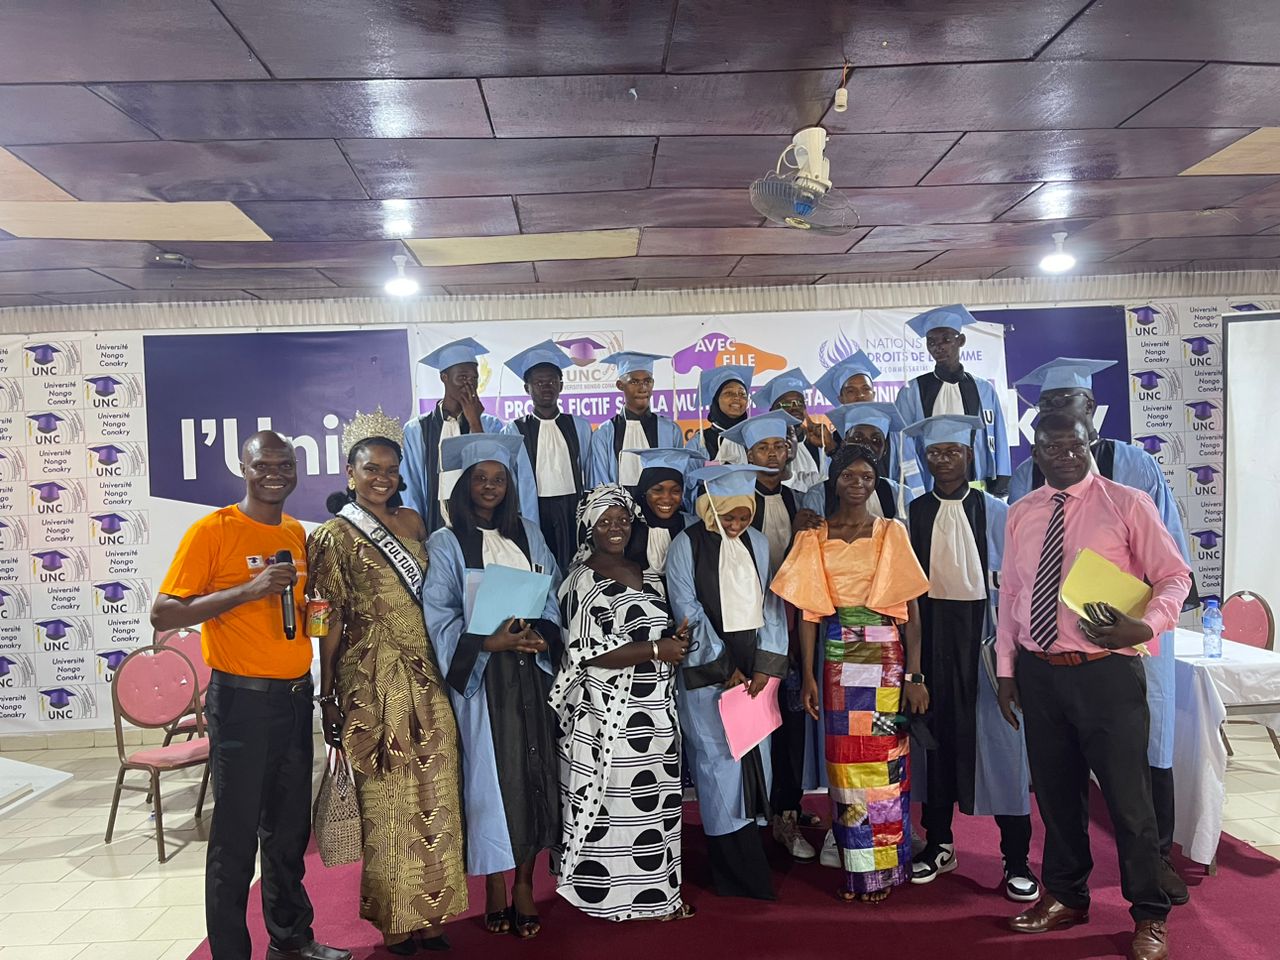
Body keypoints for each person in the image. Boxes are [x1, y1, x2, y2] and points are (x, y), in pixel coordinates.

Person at [996, 413, 1190, 960]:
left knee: (1130, 804)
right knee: (1057, 799)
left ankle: (1150, 914)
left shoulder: (1127, 503)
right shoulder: (1020, 514)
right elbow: (1010, 595)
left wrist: (1146, 625)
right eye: (1050, 445)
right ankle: (1065, 896)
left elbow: (1175, 576)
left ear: (1089, 444)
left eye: (1073, 443)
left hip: (1107, 673)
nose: (1063, 452)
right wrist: (1008, 672)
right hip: (1041, 674)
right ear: (1035, 453)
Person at [150, 431, 350, 960]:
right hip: (240, 703)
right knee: (235, 838)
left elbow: (305, 615)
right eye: (264, 465)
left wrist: (319, 613)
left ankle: (290, 941)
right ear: (244, 468)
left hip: (292, 698)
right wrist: (247, 591)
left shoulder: (294, 532)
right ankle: (231, 952)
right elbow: (164, 612)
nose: (275, 473)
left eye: (285, 464)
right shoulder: (212, 531)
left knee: (288, 832)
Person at [308, 412, 466, 953]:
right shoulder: (332, 535)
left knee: (436, 794)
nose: (383, 478)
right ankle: (395, 919)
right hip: (370, 679)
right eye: (371, 469)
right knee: (387, 799)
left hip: (426, 671)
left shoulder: (414, 524)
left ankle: (432, 912)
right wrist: (327, 692)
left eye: (391, 470)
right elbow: (324, 620)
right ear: (350, 474)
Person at [770, 442, 930, 904]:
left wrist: (915, 677)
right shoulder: (813, 536)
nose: (857, 484)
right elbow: (807, 615)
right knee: (844, 767)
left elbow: (911, 615)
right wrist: (811, 677)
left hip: (886, 661)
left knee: (884, 766)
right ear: (832, 480)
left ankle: (883, 871)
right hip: (838, 662)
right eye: (848, 476)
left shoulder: (890, 532)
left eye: (866, 477)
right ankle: (858, 867)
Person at [422, 434, 563, 941]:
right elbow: (438, 616)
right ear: (463, 485)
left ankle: (526, 881)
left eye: (498, 479)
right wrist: (488, 643)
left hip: (529, 672)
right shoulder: (445, 543)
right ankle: (495, 883)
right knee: (490, 783)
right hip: (482, 680)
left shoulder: (528, 532)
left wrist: (542, 636)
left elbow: (552, 589)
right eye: (480, 479)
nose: (490, 487)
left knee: (532, 776)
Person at [901, 415, 1036, 902]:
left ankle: (1016, 859)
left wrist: (1015, 655)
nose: (944, 460)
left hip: (987, 642)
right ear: (925, 458)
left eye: (954, 452)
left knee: (1002, 750)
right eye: (935, 452)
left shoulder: (1000, 512)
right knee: (935, 745)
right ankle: (939, 843)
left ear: (970, 455)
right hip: (932, 641)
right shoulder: (911, 515)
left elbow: (1019, 585)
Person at [550, 484, 696, 922]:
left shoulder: (647, 572)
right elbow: (583, 652)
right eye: (605, 521)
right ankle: (607, 897)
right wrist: (657, 650)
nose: (615, 528)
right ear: (588, 527)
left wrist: (676, 641)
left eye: (622, 520)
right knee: (614, 806)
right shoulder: (580, 580)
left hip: (655, 710)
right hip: (606, 714)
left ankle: (659, 895)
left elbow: (659, 631)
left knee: (656, 803)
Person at [666, 463, 790, 900]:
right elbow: (686, 607)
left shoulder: (757, 542)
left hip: (754, 667)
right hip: (709, 670)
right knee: (719, 761)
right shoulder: (686, 544)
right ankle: (730, 866)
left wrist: (764, 667)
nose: (736, 525)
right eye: (726, 517)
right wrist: (724, 666)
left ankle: (753, 850)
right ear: (708, 511)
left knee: (758, 756)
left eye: (743, 515)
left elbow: (772, 605)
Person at [718, 409, 818, 862]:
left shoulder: (803, 502)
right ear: (749, 454)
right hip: (750, 629)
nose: (772, 455)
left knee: (793, 721)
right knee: (753, 726)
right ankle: (750, 816)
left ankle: (788, 811)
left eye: (779, 447)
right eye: (762, 449)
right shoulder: (735, 506)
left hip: (797, 626)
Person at [401, 336, 539, 535]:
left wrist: (475, 421)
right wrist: (416, 529)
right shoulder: (418, 429)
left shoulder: (490, 424)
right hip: (435, 519)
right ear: (444, 377)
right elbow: (412, 485)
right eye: (462, 378)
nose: (469, 385)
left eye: (474, 379)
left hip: (480, 520)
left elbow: (493, 468)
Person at [895, 305, 1010, 496]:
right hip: (929, 482)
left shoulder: (982, 389)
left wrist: (1001, 478)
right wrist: (913, 483)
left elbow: (998, 433)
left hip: (974, 480)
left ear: (961, 340)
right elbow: (902, 440)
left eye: (946, 340)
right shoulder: (912, 391)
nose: (938, 347)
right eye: (931, 342)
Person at [502, 340, 594, 571]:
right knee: (540, 563)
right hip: (535, 509)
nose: (546, 387)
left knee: (576, 562)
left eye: (552, 381)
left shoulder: (579, 426)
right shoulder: (514, 430)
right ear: (527, 388)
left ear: (561, 386)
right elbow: (511, 478)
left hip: (572, 506)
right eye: (539, 382)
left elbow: (589, 469)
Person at [588, 351, 683, 487]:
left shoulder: (670, 430)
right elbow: (600, 481)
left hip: (661, 505)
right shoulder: (604, 433)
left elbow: (678, 476)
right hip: (618, 505)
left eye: (647, 381)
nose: (643, 388)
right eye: (634, 382)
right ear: (620, 385)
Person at [822, 402, 910, 519]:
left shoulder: (899, 494)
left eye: (875, 440)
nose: (865, 445)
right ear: (844, 443)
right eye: (858, 438)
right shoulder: (820, 494)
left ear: (884, 450)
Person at [624, 447, 699, 576]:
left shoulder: (693, 526)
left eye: (675, 491)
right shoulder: (628, 526)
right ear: (644, 491)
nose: (666, 498)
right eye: (657, 490)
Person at [753, 367, 825, 493]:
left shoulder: (815, 442)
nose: (794, 408)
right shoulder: (762, 447)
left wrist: (827, 449)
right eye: (785, 404)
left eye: (799, 402)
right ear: (772, 411)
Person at [685, 364, 754, 463]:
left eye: (742, 394)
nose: (737, 397)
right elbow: (690, 476)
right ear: (716, 400)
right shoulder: (700, 443)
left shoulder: (753, 438)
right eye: (729, 393)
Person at [814, 348, 880, 407]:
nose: (860, 395)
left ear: (873, 394)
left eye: (866, 389)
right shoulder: (839, 421)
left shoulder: (887, 420)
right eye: (851, 391)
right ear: (841, 399)